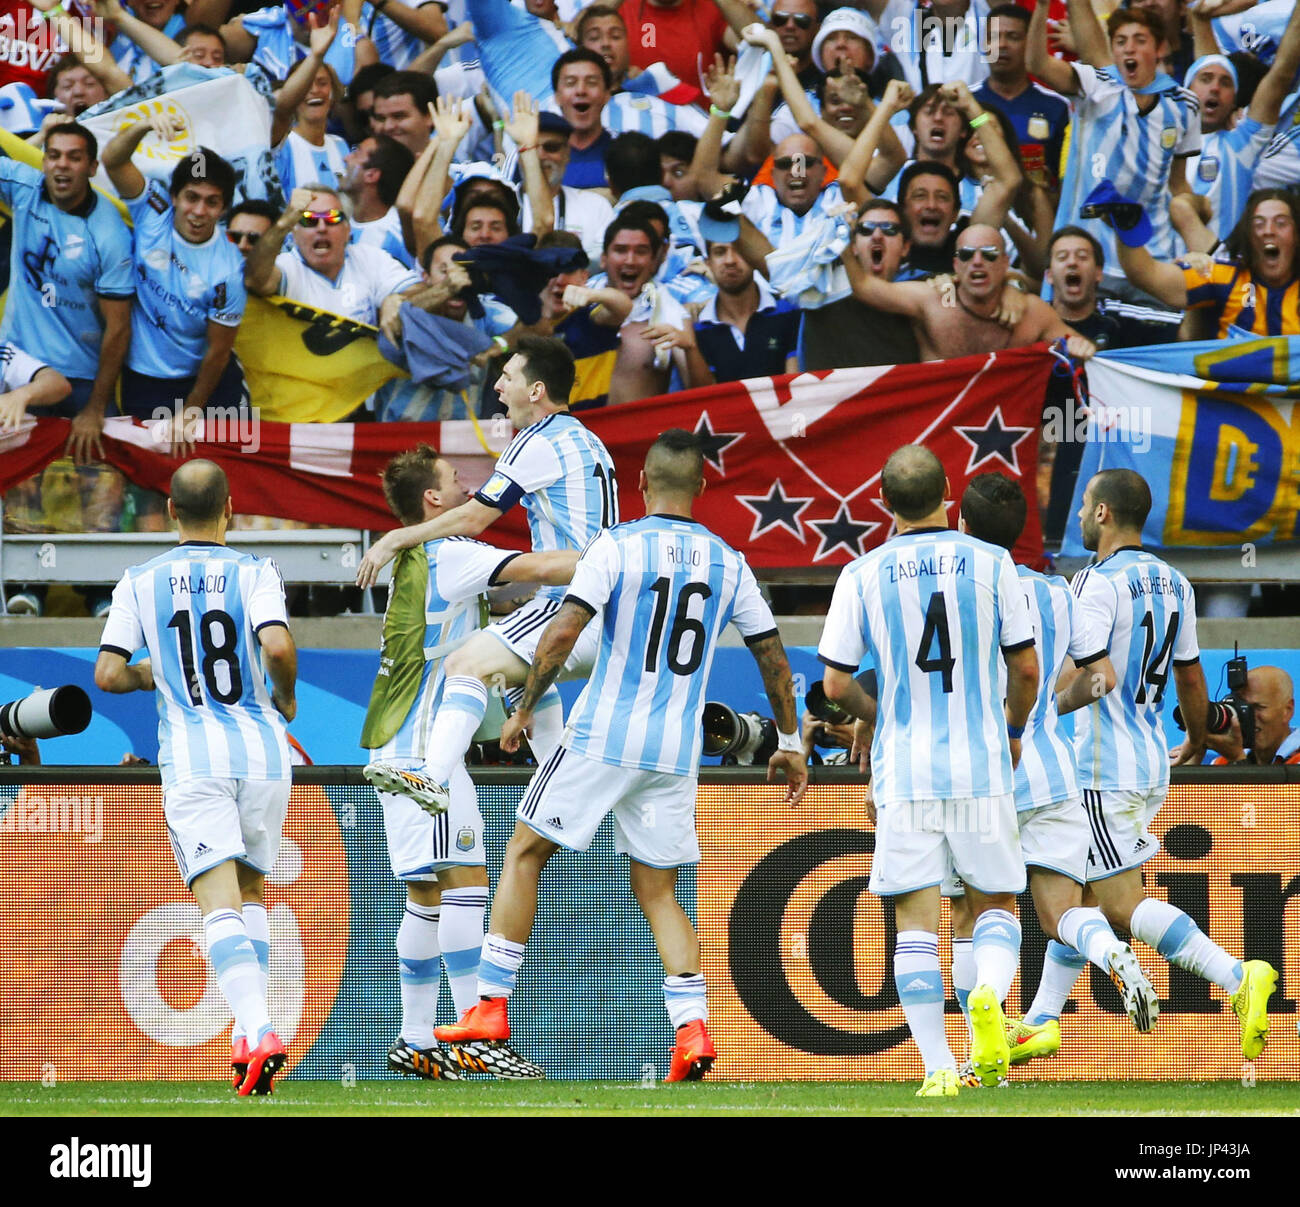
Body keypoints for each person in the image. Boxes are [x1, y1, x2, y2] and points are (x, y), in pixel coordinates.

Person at [433, 428, 808, 1078]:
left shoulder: (615, 544)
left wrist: (523, 705)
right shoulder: (728, 560)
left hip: (603, 734)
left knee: (525, 850)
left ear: (641, 484)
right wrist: (792, 740)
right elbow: (772, 658)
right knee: (658, 890)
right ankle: (692, 1030)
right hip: (673, 748)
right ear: (700, 485)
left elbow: (562, 632)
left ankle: (490, 1006)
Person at [1019, 469, 1278, 1062]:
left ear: (1105, 513)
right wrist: (1194, 738)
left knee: (1114, 904)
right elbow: (1190, 676)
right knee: (1080, 894)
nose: (1079, 516)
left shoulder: (1094, 583)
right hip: (1145, 755)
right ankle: (1037, 1023)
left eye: (1085, 505)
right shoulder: (1174, 582)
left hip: (1098, 765)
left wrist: (1040, 711)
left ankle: (1238, 978)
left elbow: (1087, 671)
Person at [817, 443, 1039, 1097]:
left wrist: (881, 715)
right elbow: (1025, 668)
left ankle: (940, 1067)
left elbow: (833, 681)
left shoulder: (861, 573)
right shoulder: (994, 562)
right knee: (995, 901)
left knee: (914, 920)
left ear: (883, 503)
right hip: (981, 758)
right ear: (949, 487)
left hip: (905, 769)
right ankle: (990, 1005)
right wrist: (1016, 729)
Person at [364, 444, 582, 1081]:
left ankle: (415, 1040)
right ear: (432, 500)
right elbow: (541, 566)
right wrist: (614, 555)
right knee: (465, 884)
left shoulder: (420, 552)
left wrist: (518, 705)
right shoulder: (452, 552)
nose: (469, 487)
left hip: (403, 737)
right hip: (423, 745)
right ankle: (470, 1038)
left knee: (427, 892)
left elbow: (490, 645)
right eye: (455, 480)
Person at [94, 460, 298, 1096]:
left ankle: (259, 1027)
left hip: (195, 757)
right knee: (252, 893)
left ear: (172, 512)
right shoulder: (256, 570)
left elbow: (106, 674)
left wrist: (154, 672)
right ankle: (247, 1035)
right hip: (264, 754)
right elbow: (278, 647)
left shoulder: (139, 580)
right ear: (230, 509)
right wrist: (286, 699)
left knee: (216, 902)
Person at [951, 472, 1157, 1082]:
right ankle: (1110, 952)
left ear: (962, 525)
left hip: (984, 775)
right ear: (1020, 534)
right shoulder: (1059, 593)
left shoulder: (958, 591)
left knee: (977, 913)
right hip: (1054, 773)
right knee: (1061, 912)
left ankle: (980, 1054)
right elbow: (1103, 678)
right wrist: (1050, 709)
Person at [356, 335, 617, 811]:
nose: (497, 386)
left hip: (575, 605)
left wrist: (397, 537)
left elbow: (476, 517)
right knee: (516, 677)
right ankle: (561, 782)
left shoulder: (537, 440)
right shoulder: (590, 440)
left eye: (508, 376)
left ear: (535, 391)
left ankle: (432, 776)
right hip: (607, 610)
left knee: (467, 664)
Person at [1028, 1, 1201, 297]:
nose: (1129, 49)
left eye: (1139, 40)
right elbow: (1037, 65)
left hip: (1153, 261)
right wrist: (1043, 7)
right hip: (1090, 263)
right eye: (1120, 42)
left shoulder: (1185, 105)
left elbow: (1178, 183)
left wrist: (1195, 218)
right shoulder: (1096, 85)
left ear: (1159, 48)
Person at [101, 118, 247, 449]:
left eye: (211, 202)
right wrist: (144, 125)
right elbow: (112, 160)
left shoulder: (228, 272)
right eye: (191, 197)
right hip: (144, 379)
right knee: (150, 476)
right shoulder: (153, 210)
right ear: (173, 196)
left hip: (204, 385)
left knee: (219, 474)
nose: (199, 211)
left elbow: (218, 352)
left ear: (223, 208)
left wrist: (192, 410)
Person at [0, 121, 133, 463]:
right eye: (53, 155)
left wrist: (95, 408)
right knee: (21, 481)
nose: (61, 164)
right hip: (19, 365)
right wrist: (40, 133)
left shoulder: (109, 235)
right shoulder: (22, 186)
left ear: (92, 167)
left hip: (80, 379)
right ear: (43, 161)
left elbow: (118, 329)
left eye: (74, 158)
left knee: (96, 482)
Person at [844, 221, 1096, 362]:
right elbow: (865, 287)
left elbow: (1081, 345)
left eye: (988, 255)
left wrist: (1082, 348)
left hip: (1005, 436)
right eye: (967, 255)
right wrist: (842, 244)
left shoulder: (1032, 311)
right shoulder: (933, 298)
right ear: (956, 264)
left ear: (1005, 263)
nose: (977, 261)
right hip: (940, 426)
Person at [1182, 2, 1300, 245]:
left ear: (1234, 102)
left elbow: (1281, 72)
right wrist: (1201, 21)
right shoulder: (1162, 141)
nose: (1214, 87)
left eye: (1225, 84)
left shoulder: (1244, 146)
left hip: (1226, 272)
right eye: (1206, 80)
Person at [1110, 189, 1300, 339]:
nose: (1268, 231)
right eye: (1258, 224)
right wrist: (1127, 225)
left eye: (1281, 223)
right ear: (1248, 236)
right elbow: (1147, 275)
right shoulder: (1224, 276)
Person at [243, 183, 422, 328]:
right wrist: (282, 224)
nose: (321, 228)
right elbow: (254, 280)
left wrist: (398, 298)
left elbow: (420, 293)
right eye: (309, 220)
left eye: (332, 218)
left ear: (347, 229)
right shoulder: (286, 266)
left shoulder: (370, 258)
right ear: (295, 234)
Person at [972, 4, 1069, 193]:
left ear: (1030, 43)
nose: (1002, 45)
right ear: (983, 44)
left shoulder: (1056, 106)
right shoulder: (967, 102)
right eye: (993, 37)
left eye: (1013, 37)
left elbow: (1065, 179)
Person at [692, 240, 799, 382]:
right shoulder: (699, 330)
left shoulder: (789, 313)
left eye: (739, 250)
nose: (730, 260)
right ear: (708, 263)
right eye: (720, 252)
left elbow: (794, 385)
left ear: (754, 257)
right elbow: (707, 397)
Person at [1202, 666, 1300, 767]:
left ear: (1287, 711)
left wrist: (1237, 759)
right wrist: (1195, 747)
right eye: (1243, 708)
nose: (1247, 716)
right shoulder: (1223, 762)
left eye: (1258, 707)